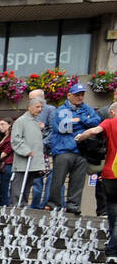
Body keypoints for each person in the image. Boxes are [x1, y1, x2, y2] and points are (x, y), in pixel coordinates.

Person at [48, 83, 101, 214]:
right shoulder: (60, 110)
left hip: (81, 152)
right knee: (58, 180)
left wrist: (79, 119)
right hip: (63, 150)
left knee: (78, 181)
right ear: (69, 95)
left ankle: (73, 205)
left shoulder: (87, 109)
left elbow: (97, 122)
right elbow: (64, 127)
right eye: (77, 95)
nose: (80, 97)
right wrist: (85, 123)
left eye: (82, 95)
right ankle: (54, 204)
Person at [77, 102, 117, 257]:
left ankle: (112, 247)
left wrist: (79, 138)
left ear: (112, 112)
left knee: (112, 210)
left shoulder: (109, 122)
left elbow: (93, 131)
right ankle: (113, 249)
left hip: (109, 174)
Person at [9, 97, 47, 208]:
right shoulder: (21, 121)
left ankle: (23, 204)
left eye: (41, 107)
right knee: (19, 183)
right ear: (29, 107)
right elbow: (15, 140)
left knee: (28, 183)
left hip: (33, 161)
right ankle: (15, 204)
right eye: (37, 107)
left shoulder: (35, 121)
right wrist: (26, 151)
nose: (40, 110)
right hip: (24, 160)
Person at [0, 118, 14, 206]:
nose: (0, 127)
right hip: (0, 166)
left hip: (6, 165)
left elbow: (4, 154)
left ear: (9, 125)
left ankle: (5, 208)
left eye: (2, 124)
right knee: (0, 189)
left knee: (4, 190)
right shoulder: (2, 137)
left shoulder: (11, 138)